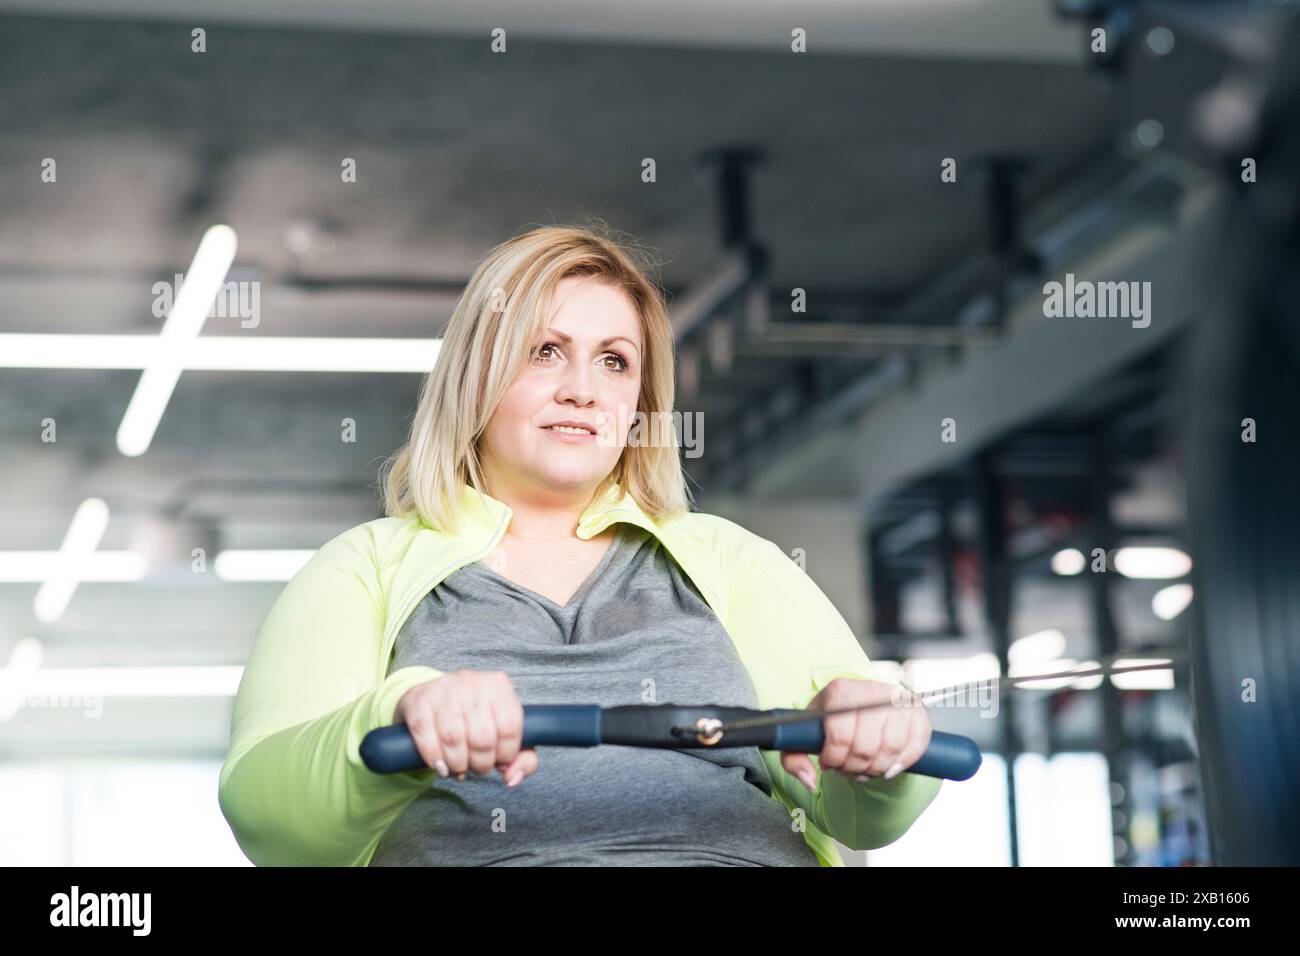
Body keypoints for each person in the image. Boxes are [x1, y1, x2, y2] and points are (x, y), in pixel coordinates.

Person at [218, 223, 940, 866]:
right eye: (545, 352)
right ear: (476, 376)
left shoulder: (729, 561)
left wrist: (881, 749)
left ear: (638, 403)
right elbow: (271, 823)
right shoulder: (364, 568)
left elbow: (860, 815)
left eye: (614, 361)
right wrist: (397, 715)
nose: (582, 390)